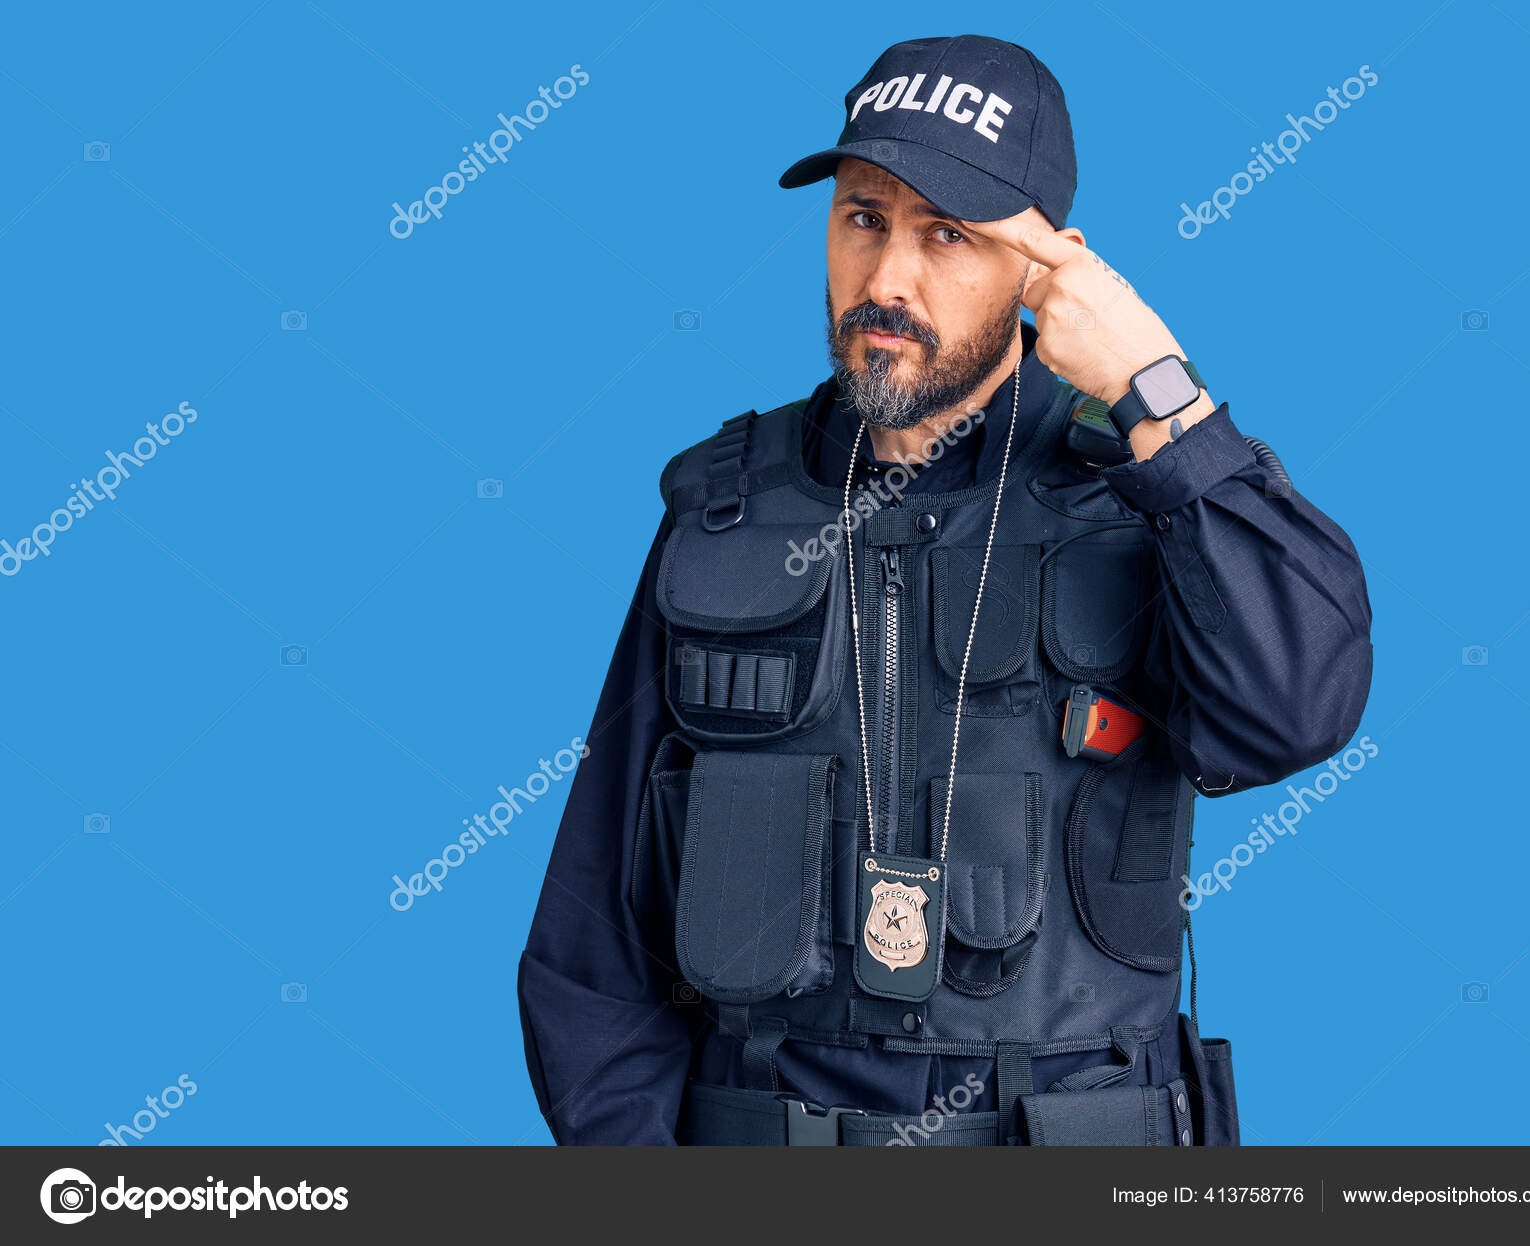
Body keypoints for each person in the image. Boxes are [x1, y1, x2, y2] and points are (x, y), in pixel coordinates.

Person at [517, 33, 1373, 1146]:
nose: (887, 282)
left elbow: (1294, 715)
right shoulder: (725, 507)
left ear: (1045, 266)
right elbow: (592, 937)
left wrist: (1159, 395)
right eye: (863, 218)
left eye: (948, 236)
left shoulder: (1149, 489)